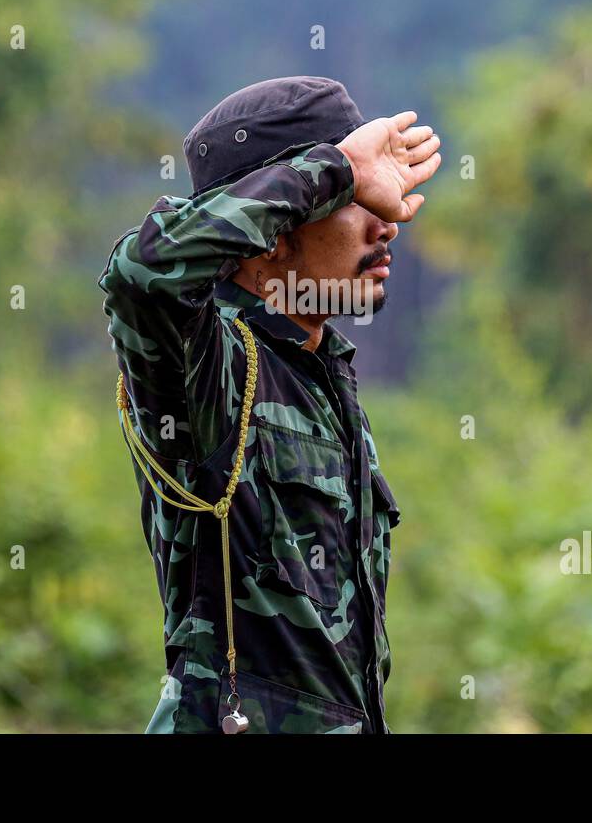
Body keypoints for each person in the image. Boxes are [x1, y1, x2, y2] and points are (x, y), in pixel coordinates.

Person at [100, 76, 442, 733]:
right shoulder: (209, 371)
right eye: (358, 200)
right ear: (274, 232)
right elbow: (141, 276)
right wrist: (334, 169)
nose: (390, 220)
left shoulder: (319, 374)